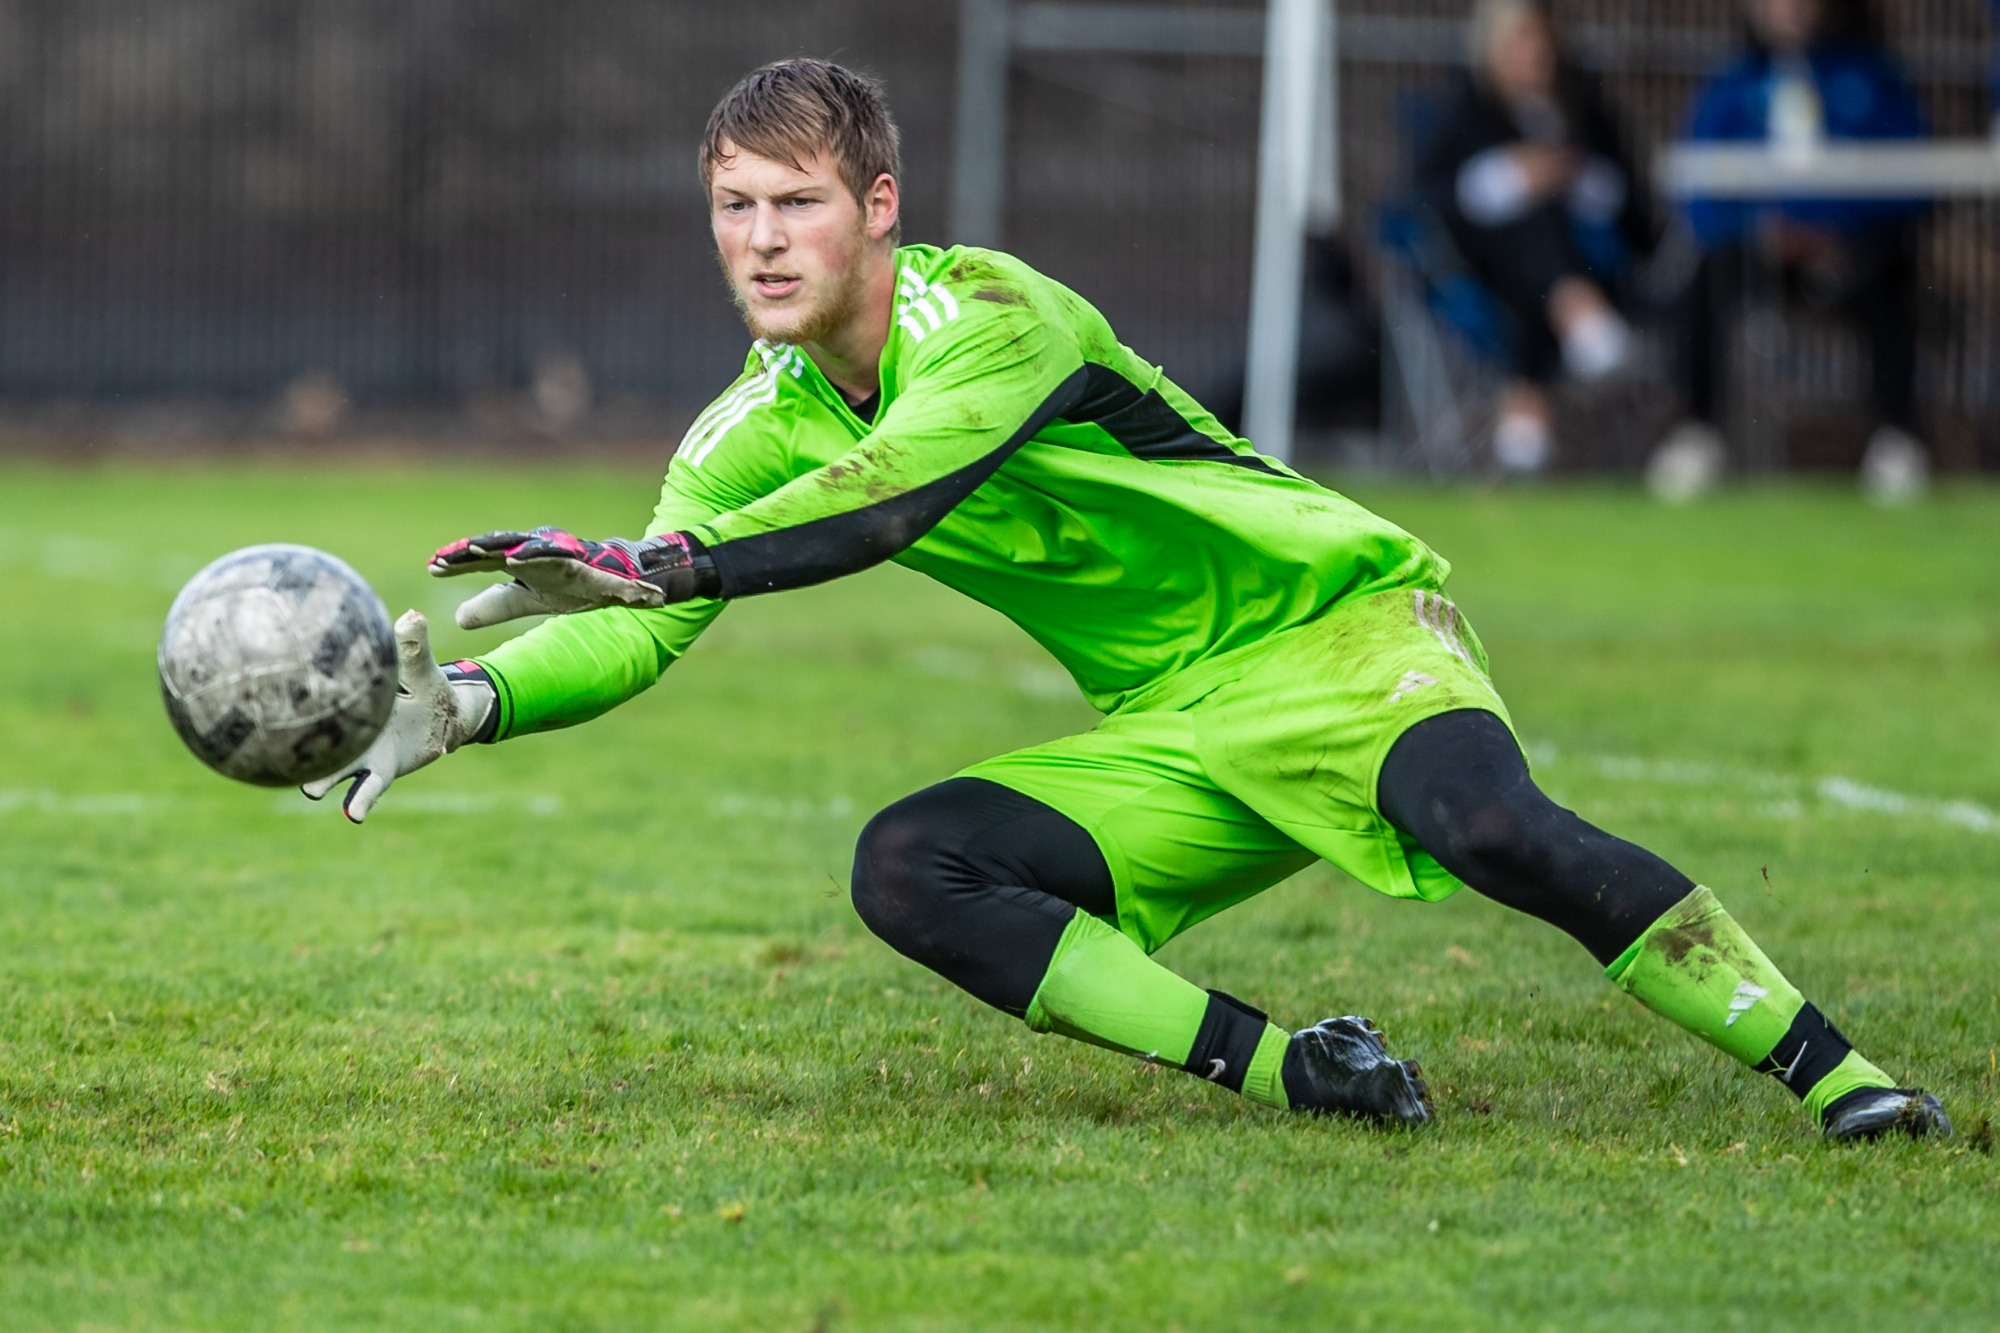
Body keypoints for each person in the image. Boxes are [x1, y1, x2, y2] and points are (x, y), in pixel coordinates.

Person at [310, 59, 1948, 1142]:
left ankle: (1844, 1078)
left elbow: (891, 503)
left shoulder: (997, 315)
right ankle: (1296, 1065)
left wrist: (659, 555)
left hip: (1338, 628)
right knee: (912, 863)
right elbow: (648, 618)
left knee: (1487, 822)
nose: (762, 236)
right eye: (736, 205)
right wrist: (470, 704)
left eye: (796, 199)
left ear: (879, 207)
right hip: (1179, 729)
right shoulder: (751, 428)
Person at [1661, 0, 1929, 500]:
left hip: (1853, 252)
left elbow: (1912, 179)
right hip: (1761, 253)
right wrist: (1760, 228)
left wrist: (1838, 228)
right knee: (1704, 276)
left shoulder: (1870, 76)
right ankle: (1696, 433)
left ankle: (1899, 437)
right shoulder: (1732, 83)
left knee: (1896, 283)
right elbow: (1695, 188)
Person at [1415, 0, 1649, 473]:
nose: (1534, 57)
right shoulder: (1464, 112)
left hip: (1587, 260)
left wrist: (1569, 173)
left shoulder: (1584, 110)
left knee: (1541, 228)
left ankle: (1526, 415)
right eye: (1521, 44)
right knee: (1527, 216)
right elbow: (1431, 200)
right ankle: (1579, 314)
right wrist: (1512, 176)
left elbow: (1631, 202)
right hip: (1481, 274)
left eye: (1541, 45)